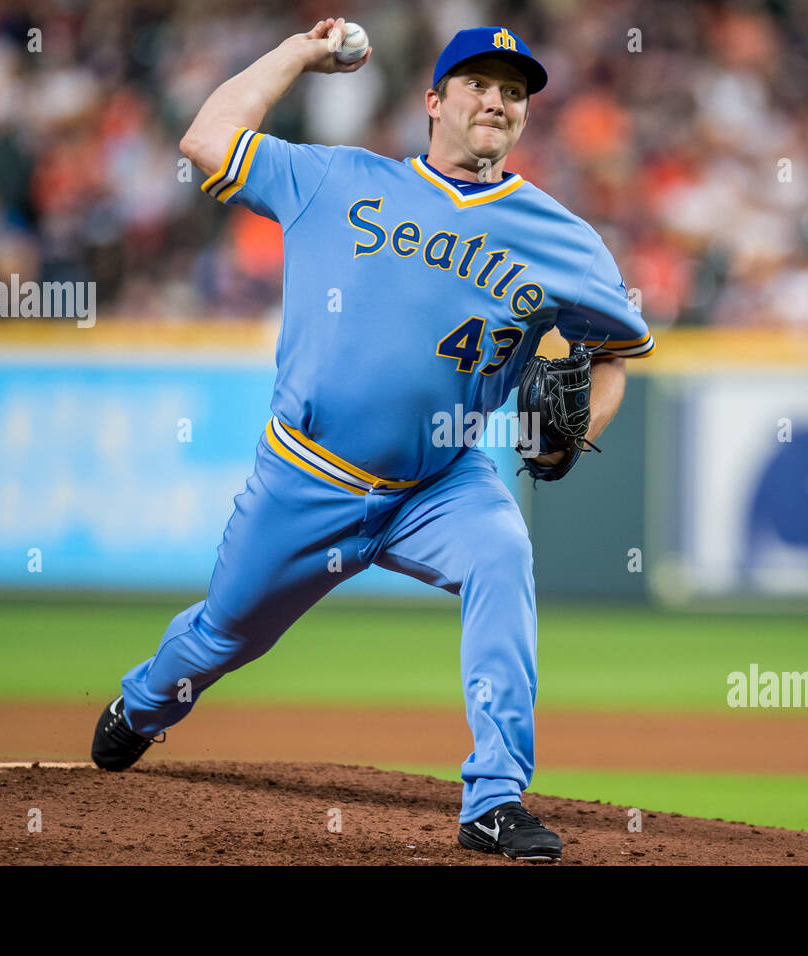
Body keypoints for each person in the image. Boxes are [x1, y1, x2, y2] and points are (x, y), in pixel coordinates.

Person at [90, 18, 654, 863]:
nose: (497, 101)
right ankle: (142, 706)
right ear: (434, 101)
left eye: (513, 92)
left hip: (443, 481)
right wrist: (300, 53)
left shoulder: (563, 240)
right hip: (307, 477)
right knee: (222, 638)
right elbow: (206, 138)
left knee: (503, 553)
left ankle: (494, 799)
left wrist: (577, 433)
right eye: (478, 84)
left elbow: (617, 358)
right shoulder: (337, 179)